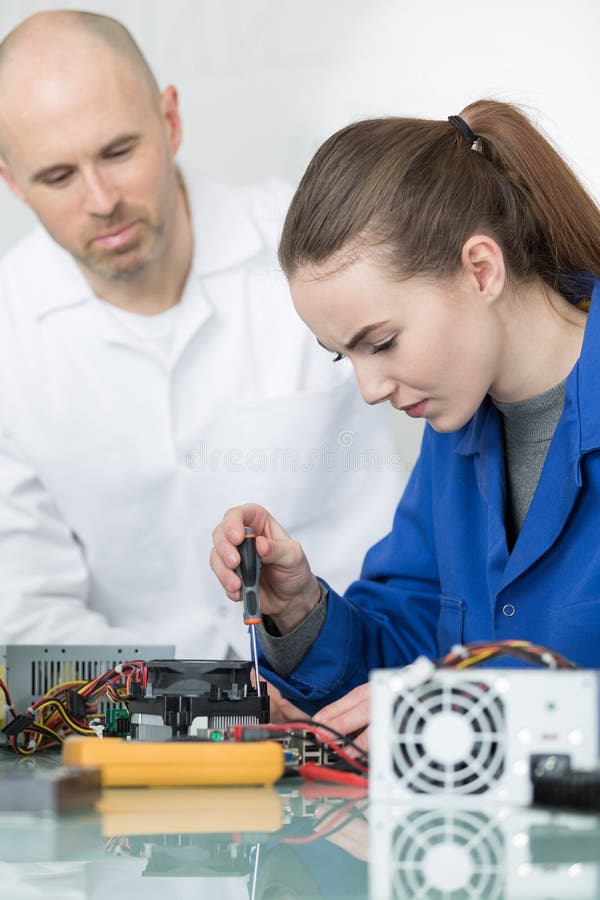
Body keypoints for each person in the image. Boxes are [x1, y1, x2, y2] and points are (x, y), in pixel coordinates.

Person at [0, 11, 403, 659]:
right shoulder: (9, 336)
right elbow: (29, 610)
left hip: (362, 685)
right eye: (58, 176)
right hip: (140, 727)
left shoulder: (313, 248)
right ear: (12, 181)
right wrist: (191, 703)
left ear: (171, 121)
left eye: (119, 151)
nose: (101, 200)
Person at [210, 99, 600, 741]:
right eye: (345, 355)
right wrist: (300, 608)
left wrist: (491, 716)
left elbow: (454, 703)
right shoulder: (458, 436)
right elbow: (404, 670)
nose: (368, 389)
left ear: (481, 270)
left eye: (383, 342)